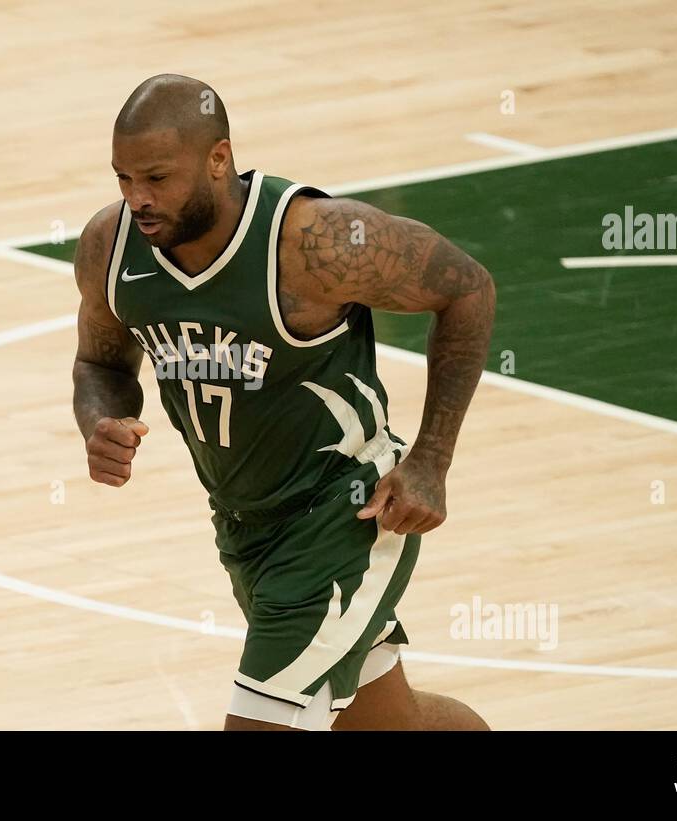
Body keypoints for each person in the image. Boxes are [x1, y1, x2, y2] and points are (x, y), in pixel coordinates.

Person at [71, 74, 495, 731]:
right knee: (390, 727)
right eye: (123, 178)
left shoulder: (314, 242)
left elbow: (467, 288)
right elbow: (101, 360)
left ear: (219, 158)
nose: (137, 199)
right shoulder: (112, 246)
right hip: (246, 528)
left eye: (155, 177)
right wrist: (100, 417)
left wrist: (432, 459)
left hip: (346, 515)